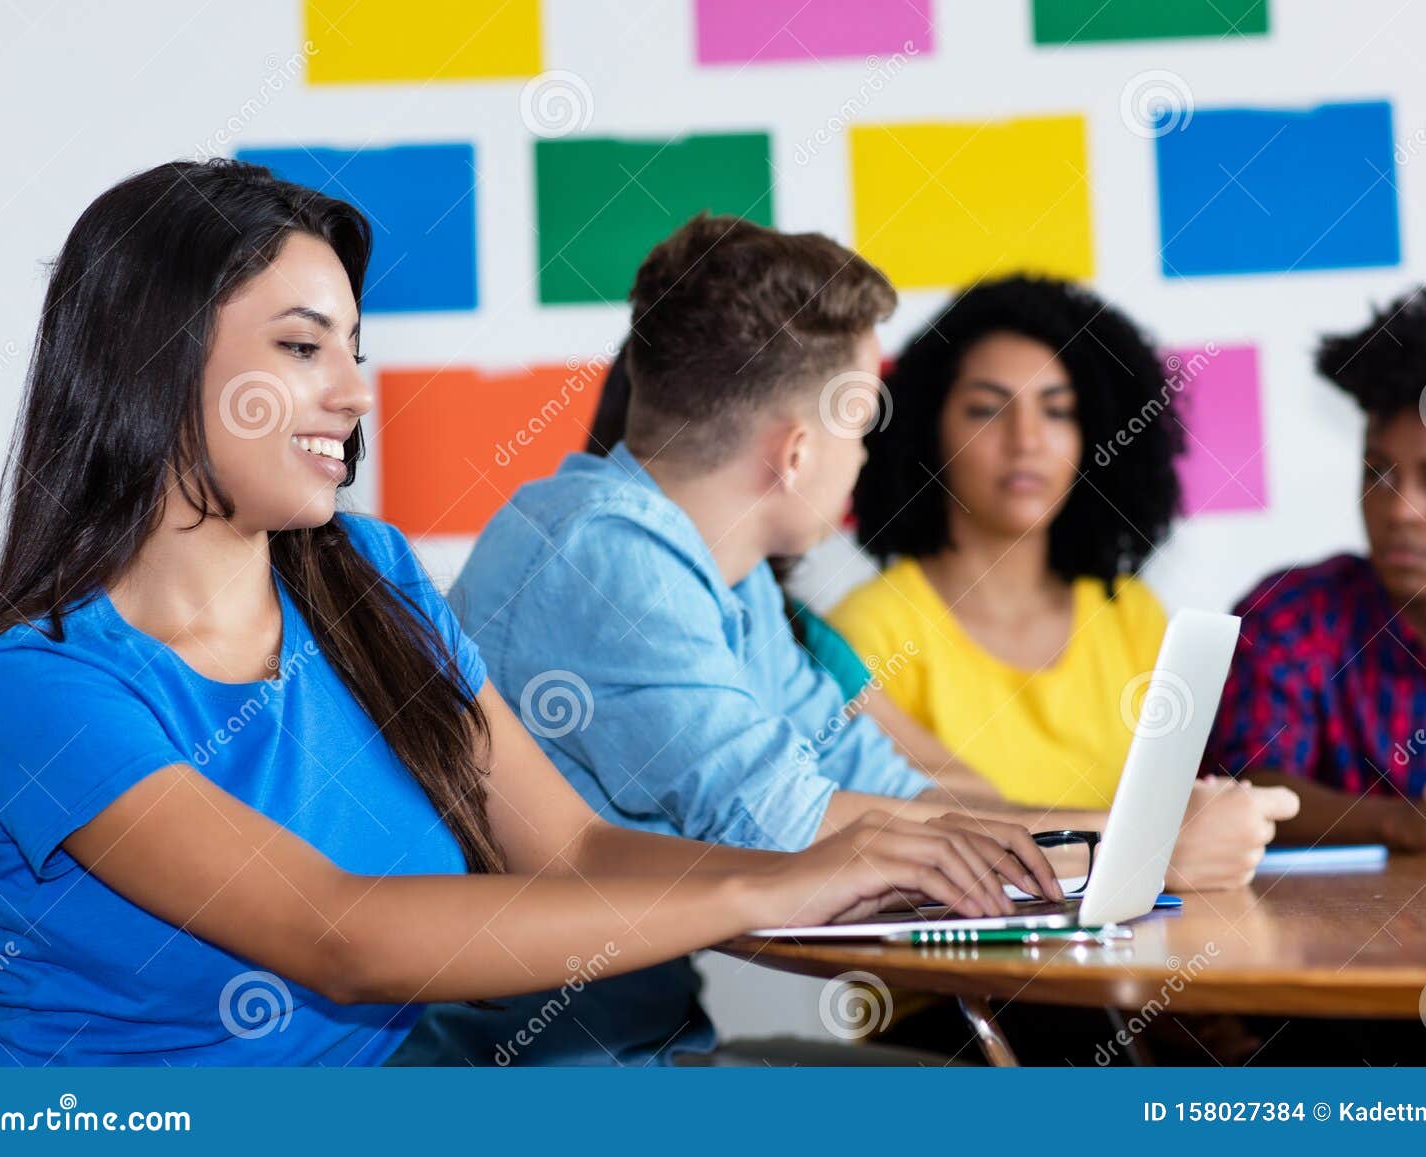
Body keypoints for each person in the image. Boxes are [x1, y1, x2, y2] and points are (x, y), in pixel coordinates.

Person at [0, 162, 1056, 1067]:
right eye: (304, 347)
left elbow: (569, 848)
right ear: (157, 366)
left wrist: (860, 858)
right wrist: (793, 879)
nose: (357, 393)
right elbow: (339, 933)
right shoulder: (36, 688)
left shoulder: (373, 579)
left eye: (355, 351)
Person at [408, 217, 1281, 1067]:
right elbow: (792, 831)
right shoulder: (605, 557)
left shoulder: (729, 570)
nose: (865, 456)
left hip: (645, 1046)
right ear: (794, 452)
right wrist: (1141, 844)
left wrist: (1124, 838)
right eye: (860, 422)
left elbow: (873, 784)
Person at [830, 275, 1298, 887]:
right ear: (927, 431)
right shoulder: (868, 629)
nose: (1025, 440)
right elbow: (907, 834)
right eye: (986, 409)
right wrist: (1154, 846)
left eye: (1057, 410)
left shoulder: (1132, 614)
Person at [583, 339, 1002, 801]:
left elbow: (905, 776)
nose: (860, 457)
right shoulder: (619, 602)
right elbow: (753, 816)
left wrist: (1068, 836)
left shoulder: (784, 620)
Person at [1207, 288, 1426, 851]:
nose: (1400, 510)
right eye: (1378, 474)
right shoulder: (1288, 616)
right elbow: (1245, 793)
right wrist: (1408, 821)